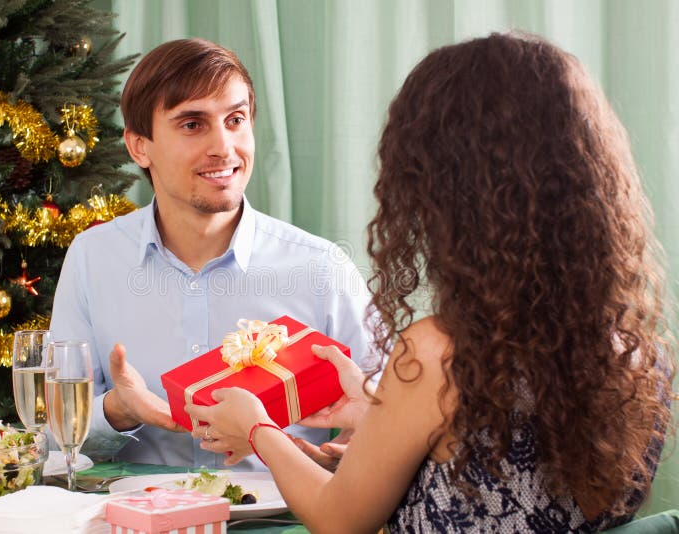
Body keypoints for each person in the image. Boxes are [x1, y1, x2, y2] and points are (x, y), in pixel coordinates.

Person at [185, 32, 676, 532]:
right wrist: (377, 415)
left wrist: (258, 428)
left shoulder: (437, 354)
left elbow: (338, 520)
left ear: (446, 192)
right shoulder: (641, 359)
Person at [49, 38, 373, 469]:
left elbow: (393, 415)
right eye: (192, 125)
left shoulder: (322, 268)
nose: (224, 147)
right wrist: (119, 410)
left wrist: (344, 453)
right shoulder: (93, 258)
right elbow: (52, 432)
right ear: (139, 146)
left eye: (236, 120)